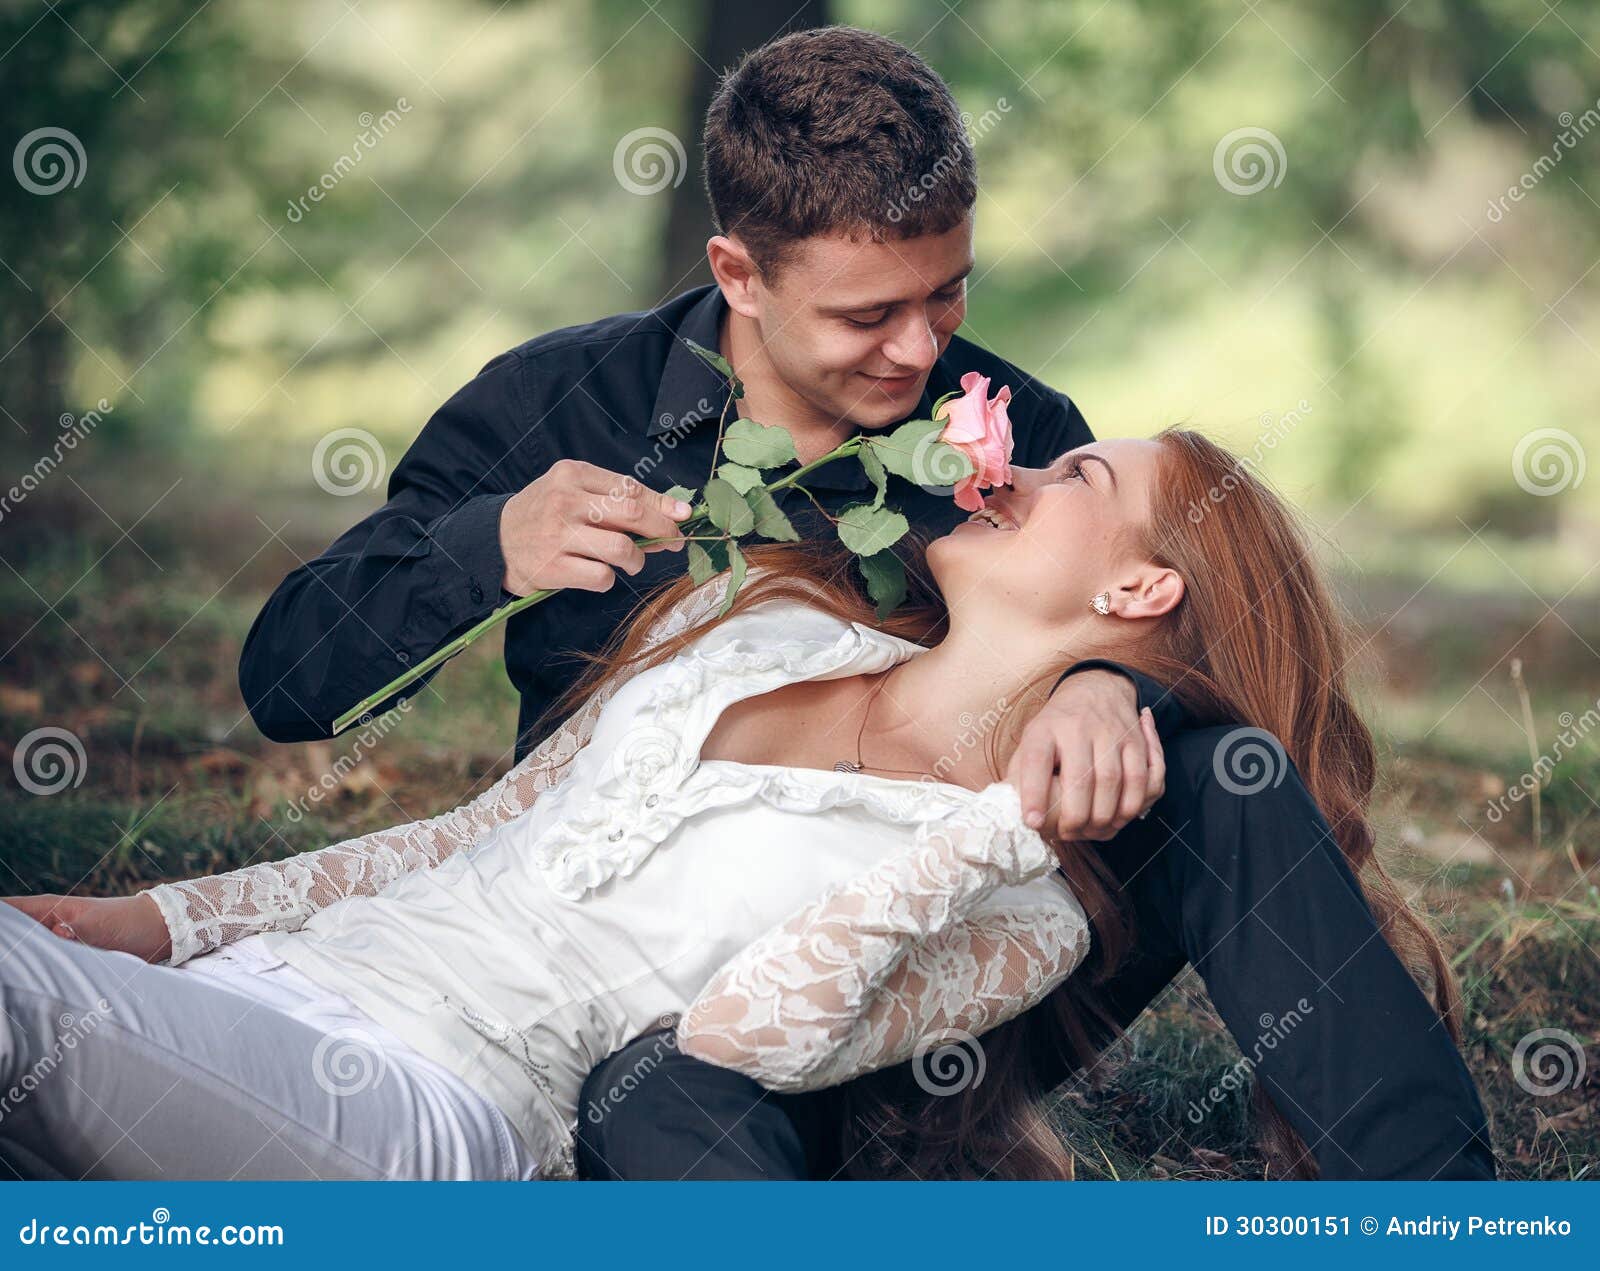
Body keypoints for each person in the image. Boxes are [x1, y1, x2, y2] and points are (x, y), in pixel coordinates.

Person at [4, 432, 1493, 1182]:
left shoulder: (1025, 888)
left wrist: (1007, 823)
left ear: (1140, 589)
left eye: (1075, 471)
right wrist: (154, 921)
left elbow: (737, 1043)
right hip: (247, 992)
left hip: (416, 1096)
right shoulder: (754, 621)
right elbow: (475, 837)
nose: (1017, 464)